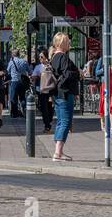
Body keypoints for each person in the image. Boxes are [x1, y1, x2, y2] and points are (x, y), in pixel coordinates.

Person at [49, 32, 81, 162]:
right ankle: (58, 152)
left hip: (57, 93)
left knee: (61, 121)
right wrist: (78, 73)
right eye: (67, 41)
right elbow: (67, 75)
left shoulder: (54, 58)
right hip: (65, 93)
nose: (69, 44)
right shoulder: (63, 58)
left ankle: (58, 150)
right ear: (62, 43)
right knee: (66, 121)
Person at [31, 49, 53, 131]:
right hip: (41, 90)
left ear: (46, 57)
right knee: (44, 108)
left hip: (50, 90)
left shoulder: (51, 65)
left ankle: (48, 122)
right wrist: (37, 76)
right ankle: (47, 125)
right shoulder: (38, 67)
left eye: (42, 57)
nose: (40, 58)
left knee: (50, 107)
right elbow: (33, 77)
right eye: (39, 57)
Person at [7, 47, 28, 118]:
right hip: (22, 81)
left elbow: (8, 71)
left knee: (13, 98)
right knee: (22, 97)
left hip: (14, 81)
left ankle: (15, 113)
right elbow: (28, 70)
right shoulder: (24, 61)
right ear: (19, 54)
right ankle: (24, 111)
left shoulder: (11, 62)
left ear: (13, 55)